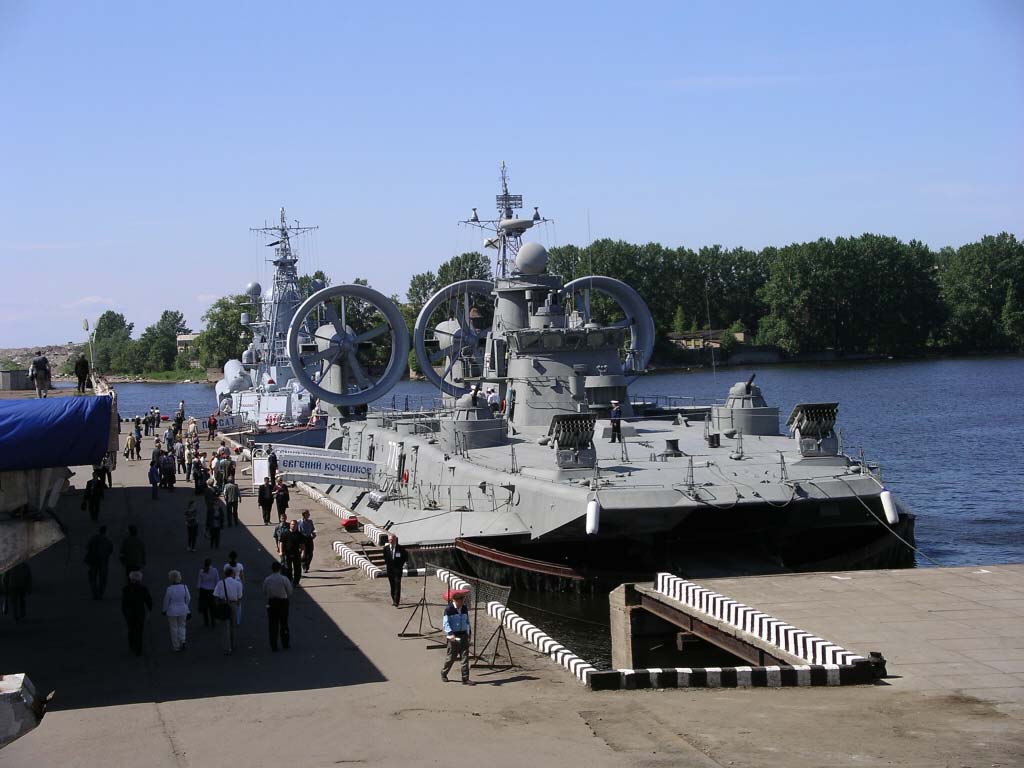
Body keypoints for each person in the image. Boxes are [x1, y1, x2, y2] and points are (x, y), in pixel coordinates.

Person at [441, 590, 472, 684]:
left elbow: (466, 621)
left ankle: (465, 678)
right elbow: (445, 624)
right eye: (459, 601)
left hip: (463, 635)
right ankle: (444, 673)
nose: (461, 603)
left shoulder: (464, 608)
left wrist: (468, 632)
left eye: (462, 601)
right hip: (453, 637)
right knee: (451, 658)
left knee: (465, 657)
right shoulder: (449, 610)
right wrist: (451, 634)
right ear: (454, 600)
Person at [262, 561, 294, 651]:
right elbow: (290, 591)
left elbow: (264, 591)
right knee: (284, 623)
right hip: (283, 602)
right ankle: (285, 643)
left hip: (272, 602)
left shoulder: (267, 579)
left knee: (272, 624)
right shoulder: (284, 579)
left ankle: (274, 645)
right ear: (280, 569)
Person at [213, 566, 243, 654]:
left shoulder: (220, 583)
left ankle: (227, 647)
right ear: (232, 574)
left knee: (225, 626)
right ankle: (232, 644)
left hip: (223, 604)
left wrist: (217, 605)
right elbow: (240, 596)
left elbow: (216, 595)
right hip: (233, 604)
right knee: (232, 625)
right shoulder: (238, 583)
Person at [121, 570, 152, 655]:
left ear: (130, 579)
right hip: (140, 613)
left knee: (131, 630)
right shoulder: (143, 588)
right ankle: (138, 648)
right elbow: (149, 600)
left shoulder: (126, 589)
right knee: (139, 630)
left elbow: (124, 603)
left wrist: (124, 612)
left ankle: (132, 646)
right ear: (140, 579)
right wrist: (149, 610)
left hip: (129, 613)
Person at [162, 570, 191, 651]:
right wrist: (186, 606)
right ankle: (182, 640)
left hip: (172, 611)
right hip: (183, 609)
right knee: (182, 625)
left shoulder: (169, 589)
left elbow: (166, 601)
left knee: (173, 628)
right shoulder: (185, 587)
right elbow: (188, 598)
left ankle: (176, 646)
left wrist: (164, 610)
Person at [84, 526, 114, 599]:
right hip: (103, 562)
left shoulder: (94, 538)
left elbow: (87, 547)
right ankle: (100, 593)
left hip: (93, 561)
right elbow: (110, 550)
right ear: (105, 532)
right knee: (103, 578)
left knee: (92, 577)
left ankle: (95, 593)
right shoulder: (107, 540)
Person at [382, 533, 407, 607]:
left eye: (392, 540)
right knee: (392, 585)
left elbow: (405, 558)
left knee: (397, 585)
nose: (391, 541)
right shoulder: (385, 548)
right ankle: (393, 599)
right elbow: (385, 558)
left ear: (395, 540)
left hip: (398, 570)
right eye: (389, 540)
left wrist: (401, 566)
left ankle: (396, 601)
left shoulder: (401, 548)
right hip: (390, 570)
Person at [280, 520, 304, 584]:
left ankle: (296, 582)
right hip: (287, 554)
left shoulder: (299, 535)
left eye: (295, 525)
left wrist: (302, 552)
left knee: (297, 569)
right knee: (288, 569)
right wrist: (281, 551)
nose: (293, 526)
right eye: (292, 524)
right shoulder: (285, 533)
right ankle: (289, 581)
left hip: (296, 554)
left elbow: (302, 545)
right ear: (290, 525)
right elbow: (281, 543)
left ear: (297, 526)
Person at [196, 559, 218, 627]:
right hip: (212, 591)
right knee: (212, 607)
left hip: (203, 591)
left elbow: (199, 583)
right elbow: (217, 580)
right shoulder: (214, 570)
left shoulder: (201, 571)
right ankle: (213, 622)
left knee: (204, 608)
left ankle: (206, 622)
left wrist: (198, 593)